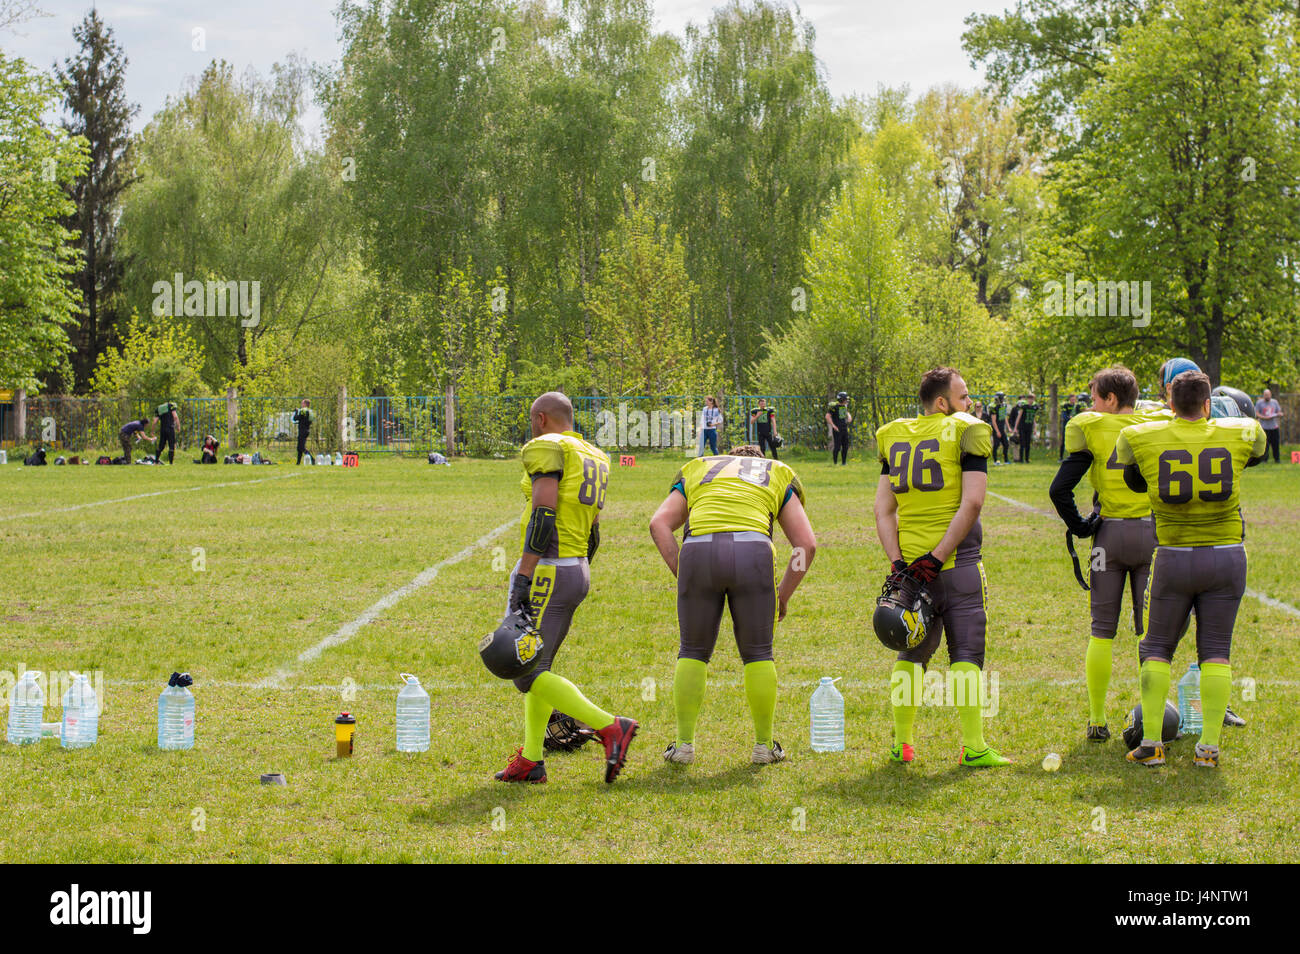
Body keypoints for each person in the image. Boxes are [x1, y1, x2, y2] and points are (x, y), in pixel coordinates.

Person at [1116, 370, 1266, 768]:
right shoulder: (1240, 431)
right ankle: (1209, 749)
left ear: (1169, 403)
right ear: (1207, 404)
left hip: (1174, 555)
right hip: (1226, 554)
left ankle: (1151, 745)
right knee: (1216, 651)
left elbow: (1130, 472)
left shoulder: (1141, 435)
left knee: (1156, 649)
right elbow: (1259, 446)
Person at [493, 391, 637, 784]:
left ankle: (611, 727)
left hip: (548, 567)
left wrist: (525, 574)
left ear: (540, 419)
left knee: (522, 670)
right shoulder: (594, 454)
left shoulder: (547, 446)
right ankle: (532, 759)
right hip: (575, 566)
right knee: (540, 667)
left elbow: (543, 512)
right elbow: (593, 529)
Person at [873, 366, 1010, 767]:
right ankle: (974, 746)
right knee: (966, 652)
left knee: (912, 651)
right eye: (963, 396)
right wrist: (938, 557)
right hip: (957, 563)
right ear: (941, 402)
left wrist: (899, 562)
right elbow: (972, 503)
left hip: (911, 567)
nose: (970, 404)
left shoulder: (893, 434)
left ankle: (902, 744)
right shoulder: (966, 431)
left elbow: (883, 510)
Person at [648, 445, 816, 767]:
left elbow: (659, 524)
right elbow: (805, 545)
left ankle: (684, 745)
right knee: (758, 653)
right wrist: (783, 593)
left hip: (697, 550)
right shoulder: (776, 472)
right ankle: (763, 746)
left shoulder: (698, 468)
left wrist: (683, 573)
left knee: (692, 650)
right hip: (753, 552)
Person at [1048, 366, 1167, 741]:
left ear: (1111, 399)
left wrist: (1082, 526)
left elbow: (1059, 489)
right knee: (1151, 637)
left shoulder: (1092, 429)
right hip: (1152, 535)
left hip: (1109, 536)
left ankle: (1097, 721)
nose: (1092, 405)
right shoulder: (1157, 423)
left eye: (1097, 397)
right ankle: (1151, 721)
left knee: (1101, 632)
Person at [1254, 388, 1283, 463]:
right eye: (1266, 395)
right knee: (1265, 445)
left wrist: (1279, 414)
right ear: (1263, 395)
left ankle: (1277, 459)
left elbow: (1279, 412)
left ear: (1271, 395)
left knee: (1275, 444)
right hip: (1264, 427)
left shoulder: (1275, 402)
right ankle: (1264, 459)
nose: (1267, 396)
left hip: (1274, 427)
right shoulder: (1259, 403)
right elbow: (1256, 413)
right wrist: (1264, 417)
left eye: (1268, 395)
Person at [826, 391, 852, 465]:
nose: (846, 400)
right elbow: (827, 416)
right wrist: (833, 426)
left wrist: (849, 416)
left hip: (844, 428)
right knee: (837, 447)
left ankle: (844, 462)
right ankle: (835, 463)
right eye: (845, 399)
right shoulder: (834, 407)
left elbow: (845, 414)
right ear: (842, 399)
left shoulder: (844, 406)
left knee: (845, 446)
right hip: (837, 429)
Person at [1058, 392, 1081, 461]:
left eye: (1074, 399)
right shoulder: (1065, 405)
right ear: (1069, 399)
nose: (1073, 401)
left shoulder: (1077, 406)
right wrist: (1069, 418)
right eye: (1072, 399)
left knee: (1075, 442)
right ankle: (1060, 457)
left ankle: (1073, 457)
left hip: (1075, 427)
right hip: (1067, 426)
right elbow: (1064, 415)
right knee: (1063, 442)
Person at [292, 399, 315, 465]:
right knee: (299, 447)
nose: (301, 405)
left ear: (305, 404)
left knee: (301, 447)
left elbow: (295, 418)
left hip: (302, 431)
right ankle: (298, 462)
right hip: (306, 430)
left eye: (302, 403)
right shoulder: (309, 411)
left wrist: (296, 412)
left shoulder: (303, 411)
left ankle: (312, 459)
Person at [990, 393, 1010, 465]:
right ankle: (995, 461)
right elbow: (993, 421)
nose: (1003, 399)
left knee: (1006, 444)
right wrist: (997, 431)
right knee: (996, 445)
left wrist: (1008, 427)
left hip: (1002, 428)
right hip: (996, 428)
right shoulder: (994, 407)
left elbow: (1004, 416)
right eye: (1002, 398)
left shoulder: (1003, 405)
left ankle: (1006, 460)